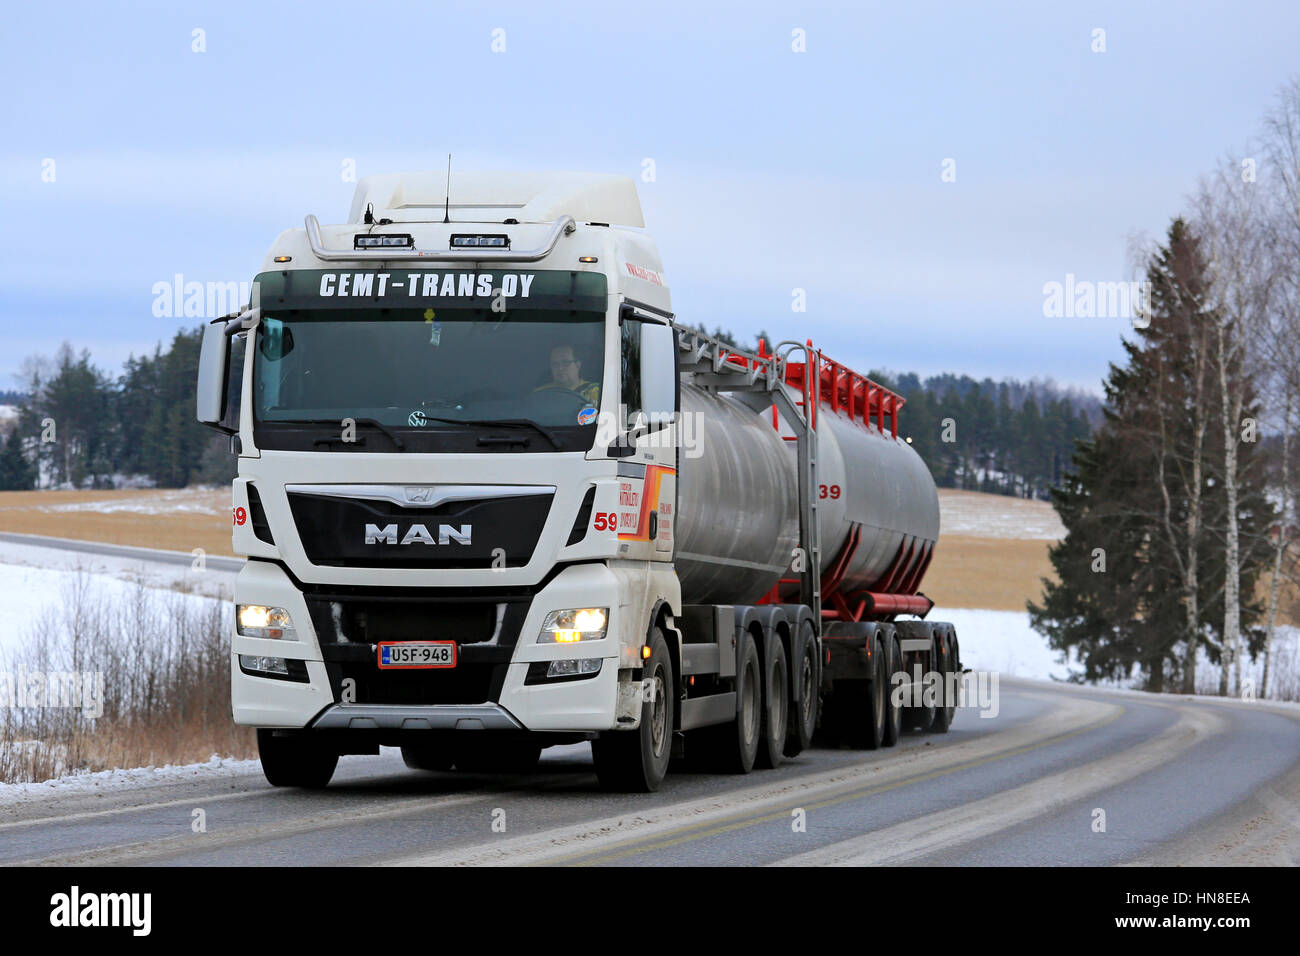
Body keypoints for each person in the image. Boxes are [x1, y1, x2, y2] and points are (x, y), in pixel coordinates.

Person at [534, 344, 600, 405]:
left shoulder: (595, 391)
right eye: (555, 364)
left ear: (578, 365)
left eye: (565, 363)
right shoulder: (541, 394)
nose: (560, 368)